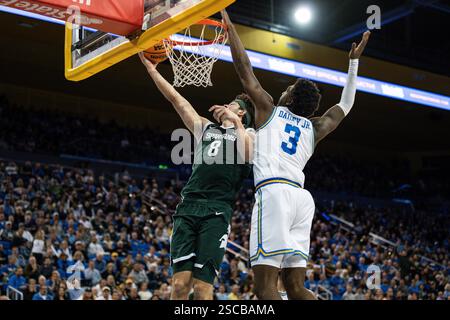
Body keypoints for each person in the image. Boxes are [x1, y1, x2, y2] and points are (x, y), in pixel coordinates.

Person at [221, 10, 370, 300]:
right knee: (296, 287)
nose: (283, 90)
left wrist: (230, 30)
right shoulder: (316, 127)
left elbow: (244, 70)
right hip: (302, 199)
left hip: (275, 193)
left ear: (289, 98)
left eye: (287, 89)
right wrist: (353, 63)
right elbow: (346, 104)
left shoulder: (268, 110)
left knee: (265, 289)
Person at [138, 52, 255, 300]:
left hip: (217, 210)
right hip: (189, 206)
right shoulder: (206, 128)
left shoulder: (250, 134)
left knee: (202, 289)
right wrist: (151, 70)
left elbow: (246, 154)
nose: (226, 105)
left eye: (232, 105)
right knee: (179, 286)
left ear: (242, 113)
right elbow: (177, 100)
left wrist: (236, 123)